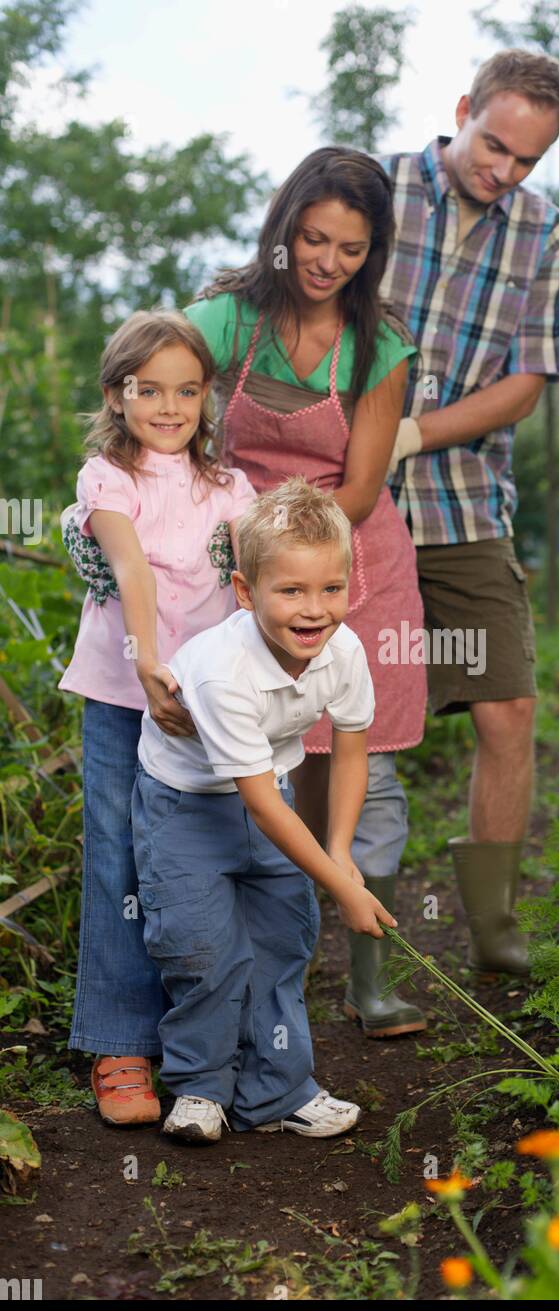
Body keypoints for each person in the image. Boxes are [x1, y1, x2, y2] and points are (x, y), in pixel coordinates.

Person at [183, 147, 428, 1037]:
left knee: (368, 768)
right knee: (250, 765)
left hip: (353, 565)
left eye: (352, 250)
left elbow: (360, 487)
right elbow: (164, 417)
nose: (327, 262)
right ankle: (247, 974)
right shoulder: (220, 320)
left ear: (375, 254)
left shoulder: (379, 342)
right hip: (239, 568)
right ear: (283, 230)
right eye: (313, 239)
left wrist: (297, 554)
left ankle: (370, 978)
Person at [378, 49, 559, 974]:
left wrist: (411, 436)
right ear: (461, 109)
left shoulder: (544, 233)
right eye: (494, 145)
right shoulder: (373, 191)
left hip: (461, 502)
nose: (503, 172)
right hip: (339, 507)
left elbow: (525, 384)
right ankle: (319, 932)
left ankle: (494, 931)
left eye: (526, 162)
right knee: (318, 718)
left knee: (507, 709)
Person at [132, 478, 395, 1143]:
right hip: (186, 806)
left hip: (268, 794)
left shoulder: (344, 653)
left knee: (281, 942)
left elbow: (350, 750)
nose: (314, 611)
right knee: (202, 952)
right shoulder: (225, 672)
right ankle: (201, 1086)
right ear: (247, 593)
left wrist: (338, 851)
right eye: (291, 591)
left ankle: (278, 1091)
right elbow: (253, 800)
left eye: (330, 589)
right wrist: (342, 887)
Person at [58, 309, 259, 1125]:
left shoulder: (229, 489)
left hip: (203, 706)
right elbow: (131, 563)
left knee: (205, 861)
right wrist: (147, 657)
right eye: (149, 390)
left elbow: (255, 581)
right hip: (123, 694)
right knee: (118, 864)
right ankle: (120, 1049)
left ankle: (210, 1045)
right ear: (117, 393)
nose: (169, 407)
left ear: (207, 395)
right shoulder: (108, 479)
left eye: (187, 389)